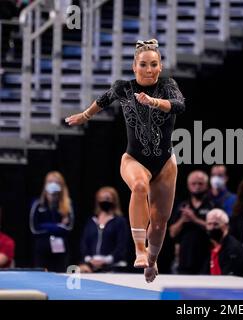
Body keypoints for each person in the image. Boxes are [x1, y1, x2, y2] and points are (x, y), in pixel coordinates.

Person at [66, 38, 186, 282]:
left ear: (161, 66)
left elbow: (179, 106)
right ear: (134, 66)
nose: (149, 70)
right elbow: (103, 100)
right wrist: (85, 115)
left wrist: (153, 102)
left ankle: (151, 262)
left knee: (160, 223)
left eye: (154, 64)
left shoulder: (168, 85)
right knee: (140, 186)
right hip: (134, 158)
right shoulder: (124, 87)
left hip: (165, 162)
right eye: (143, 65)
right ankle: (139, 250)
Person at [169, 170, 214, 274]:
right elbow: (172, 233)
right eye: (194, 184)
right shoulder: (182, 206)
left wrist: (195, 219)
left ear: (207, 186)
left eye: (200, 183)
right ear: (189, 186)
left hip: (206, 257)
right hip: (185, 257)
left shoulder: (212, 206)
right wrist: (182, 220)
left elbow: (217, 229)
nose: (197, 186)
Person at [30, 171, 74, 272]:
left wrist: (45, 225)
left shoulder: (67, 204)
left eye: (56, 182)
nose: (53, 184)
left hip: (60, 247)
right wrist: (57, 226)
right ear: (45, 184)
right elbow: (34, 229)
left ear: (61, 185)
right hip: (42, 246)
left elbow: (69, 228)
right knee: (41, 275)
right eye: (50, 182)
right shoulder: (38, 204)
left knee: (59, 275)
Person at [79, 186, 129, 273]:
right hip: (91, 264)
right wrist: (89, 258)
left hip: (113, 266)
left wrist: (107, 259)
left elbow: (122, 244)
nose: (104, 201)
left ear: (114, 200)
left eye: (107, 198)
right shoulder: (92, 221)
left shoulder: (119, 221)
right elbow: (84, 242)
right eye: (101, 198)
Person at [201, 209, 243, 277]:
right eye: (209, 224)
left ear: (226, 226)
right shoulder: (208, 247)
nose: (212, 228)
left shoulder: (233, 248)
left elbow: (229, 278)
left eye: (216, 224)